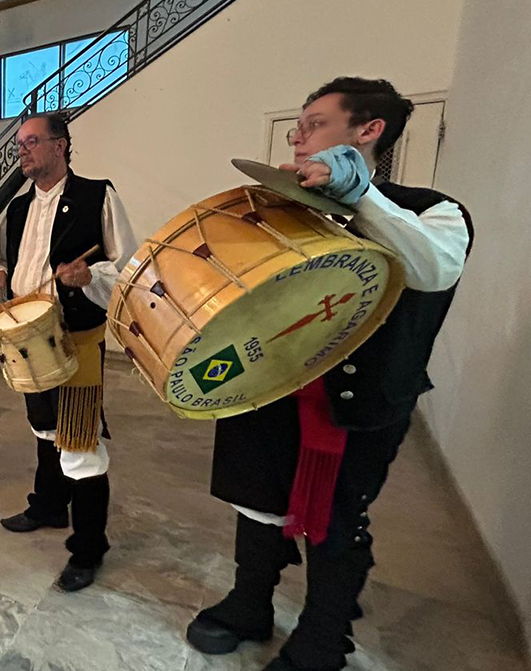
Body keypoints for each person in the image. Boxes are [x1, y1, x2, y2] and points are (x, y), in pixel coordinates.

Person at [184, 77, 472, 671]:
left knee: (338, 516)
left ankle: (323, 635)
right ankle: (249, 604)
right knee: (257, 501)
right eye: (298, 126)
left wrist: (360, 196)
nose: (297, 137)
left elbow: (433, 268)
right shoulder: (281, 212)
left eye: (314, 123)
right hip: (266, 388)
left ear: (368, 130)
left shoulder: (432, 210)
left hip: (355, 402)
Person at [0, 111, 137, 592]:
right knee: (45, 428)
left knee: (81, 443)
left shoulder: (97, 194)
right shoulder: (19, 207)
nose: (22, 150)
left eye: (31, 141)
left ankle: (89, 548)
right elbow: (5, 256)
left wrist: (92, 276)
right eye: (21, 143)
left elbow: (128, 267)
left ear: (61, 145)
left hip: (76, 336)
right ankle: (48, 507)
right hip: (30, 336)